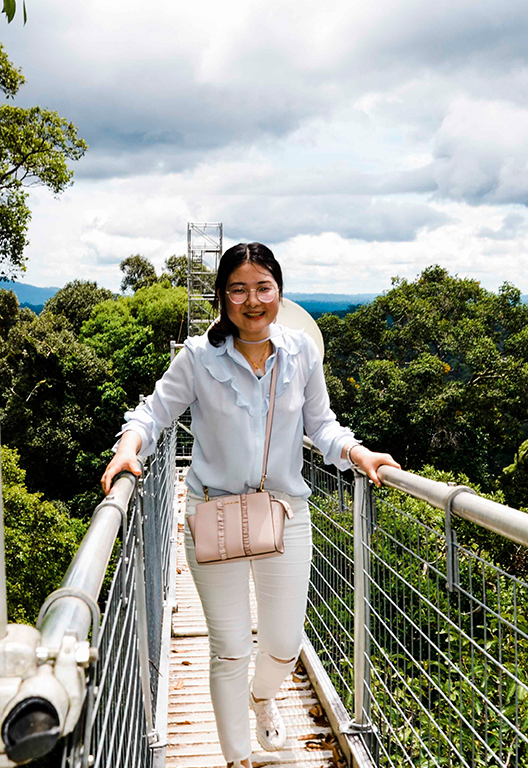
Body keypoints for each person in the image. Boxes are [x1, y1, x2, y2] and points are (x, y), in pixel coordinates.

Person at [101, 242, 399, 768]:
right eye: (238, 288)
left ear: (279, 293)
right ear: (222, 298)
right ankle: (237, 759)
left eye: (263, 287)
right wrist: (128, 448)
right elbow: (152, 415)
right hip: (212, 516)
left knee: (284, 643)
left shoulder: (302, 352)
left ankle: (263, 698)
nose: (252, 299)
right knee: (230, 649)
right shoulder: (196, 357)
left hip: (284, 513)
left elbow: (321, 426)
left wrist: (358, 453)